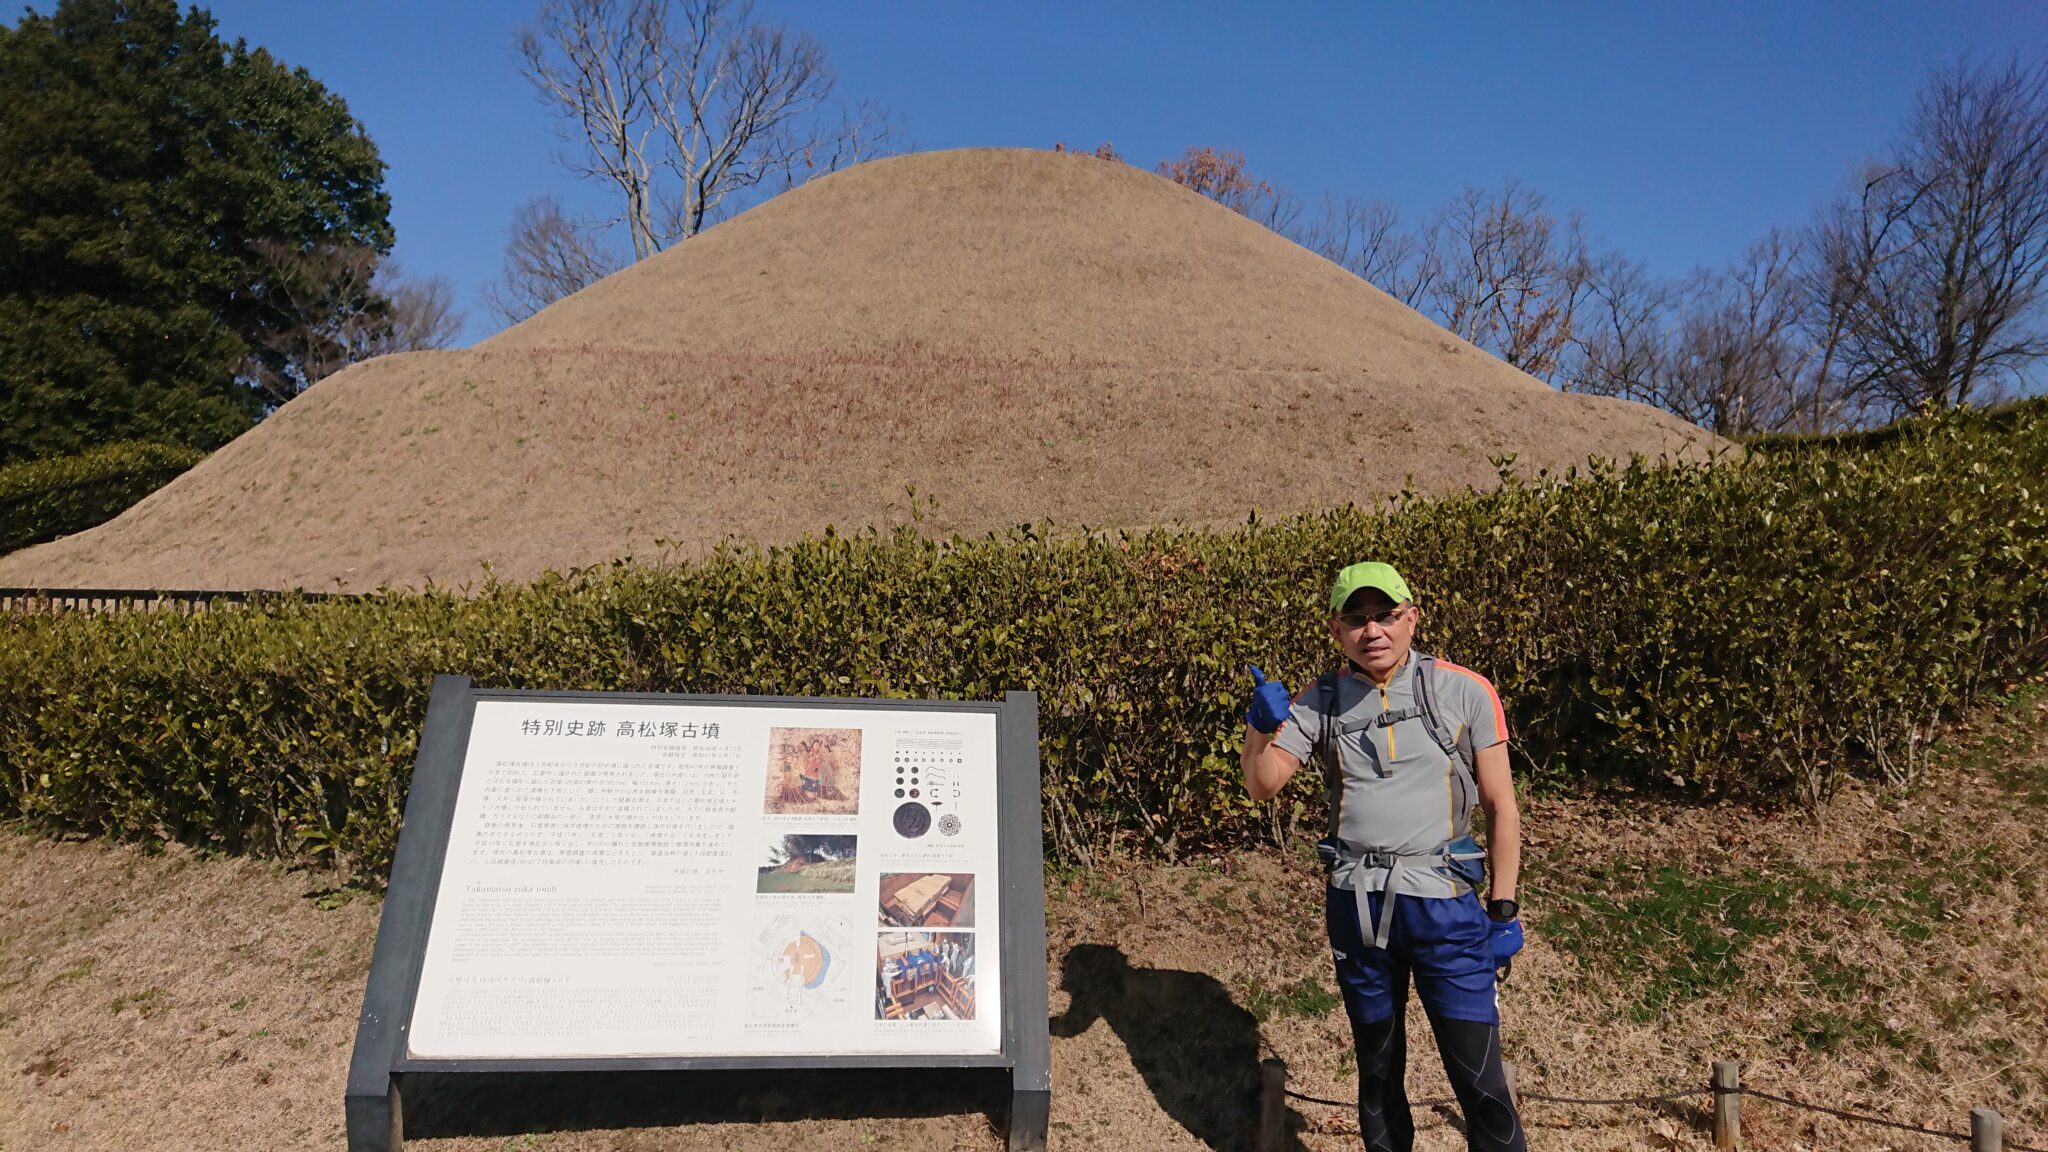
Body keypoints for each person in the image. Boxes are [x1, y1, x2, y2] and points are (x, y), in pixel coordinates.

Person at [1241, 561, 1527, 1152]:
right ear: (1336, 630)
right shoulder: (1319, 699)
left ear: (1412, 618)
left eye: (1386, 615)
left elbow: (1501, 806)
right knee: (1376, 1075)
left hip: (1446, 909)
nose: (1372, 630)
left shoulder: (1464, 690)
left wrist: (1502, 910)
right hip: (1359, 907)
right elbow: (1262, 784)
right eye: (1355, 619)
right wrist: (1259, 727)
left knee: (1482, 1084)